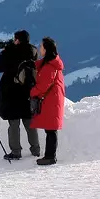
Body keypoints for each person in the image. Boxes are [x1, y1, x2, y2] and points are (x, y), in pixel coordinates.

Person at [0, 30, 39, 160]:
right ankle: (36, 149)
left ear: (17, 39)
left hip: (11, 92)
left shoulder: (11, 51)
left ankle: (16, 151)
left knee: (14, 124)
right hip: (28, 91)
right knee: (30, 122)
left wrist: (7, 50)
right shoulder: (33, 51)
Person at [30, 37, 65, 166]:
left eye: (41, 46)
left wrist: (31, 92)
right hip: (51, 100)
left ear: (46, 49)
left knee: (51, 130)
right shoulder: (49, 63)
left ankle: (50, 157)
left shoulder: (50, 66)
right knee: (50, 129)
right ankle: (49, 156)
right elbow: (39, 65)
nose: (40, 49)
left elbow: (43, 85)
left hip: (51, 100)